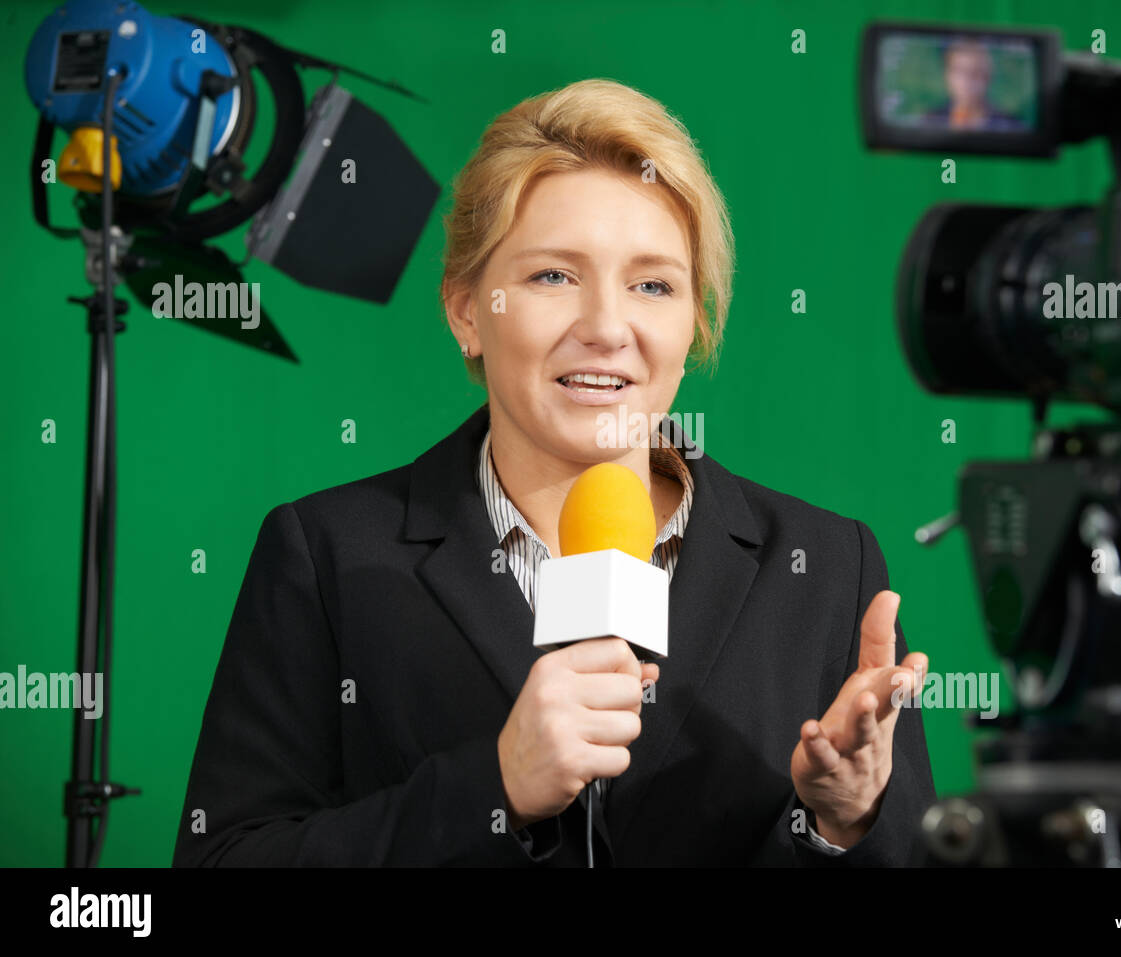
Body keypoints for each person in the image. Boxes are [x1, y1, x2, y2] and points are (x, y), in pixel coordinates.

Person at [173, 77, 936, 866]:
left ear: (695, 321)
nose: (607, 327)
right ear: (467, 309)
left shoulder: (827, 567)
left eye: (652, 284)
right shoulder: (327, 554)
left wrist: (843, 820)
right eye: (553, 276)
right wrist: (493, 786)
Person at [924, 39, 1026, 131]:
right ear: (948, 75)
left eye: (975, 73)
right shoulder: (929, 122)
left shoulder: (1011, 126)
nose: (966, 81)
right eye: (959, 70)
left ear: (987, 77)